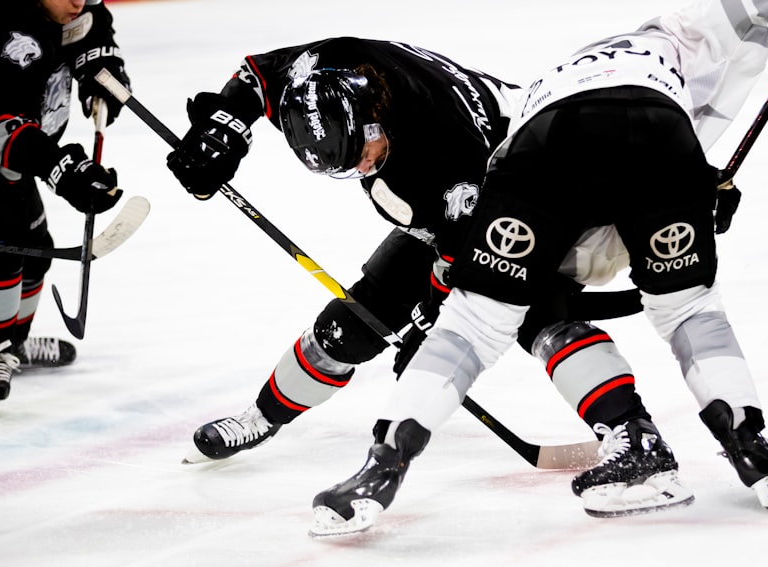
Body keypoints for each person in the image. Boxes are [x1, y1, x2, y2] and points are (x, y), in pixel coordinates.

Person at [308, 0, 768, 538]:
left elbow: (531, 264)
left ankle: (382, 468)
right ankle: (756, 451)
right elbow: (742, 9)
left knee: (476, 323)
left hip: (545, 146)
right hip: (659, 136)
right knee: (689, 307)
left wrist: (458, 307)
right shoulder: (671, 34)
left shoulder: (554, 79)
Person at [166, 37, 688, 509]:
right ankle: (263, 417)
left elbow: (464, 263)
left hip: (535, 191)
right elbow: (257, 74)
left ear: (376, 120)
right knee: (352, 324)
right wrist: (223, 128)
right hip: (454, 211)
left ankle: (633, 431)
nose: (362, 169)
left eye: (361, 155)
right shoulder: (326, 72)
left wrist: (431, 323)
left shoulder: (441, 148)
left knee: (536, 317)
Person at [0, 0, 129, 406]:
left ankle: (11, 343)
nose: (77, 0)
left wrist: (99, 65)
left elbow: (93, 22)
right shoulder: (8, 36)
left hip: (17, 163)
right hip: (0, 158)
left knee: (36, 251)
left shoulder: (64, 10)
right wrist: (60, 167)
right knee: (3, 253)